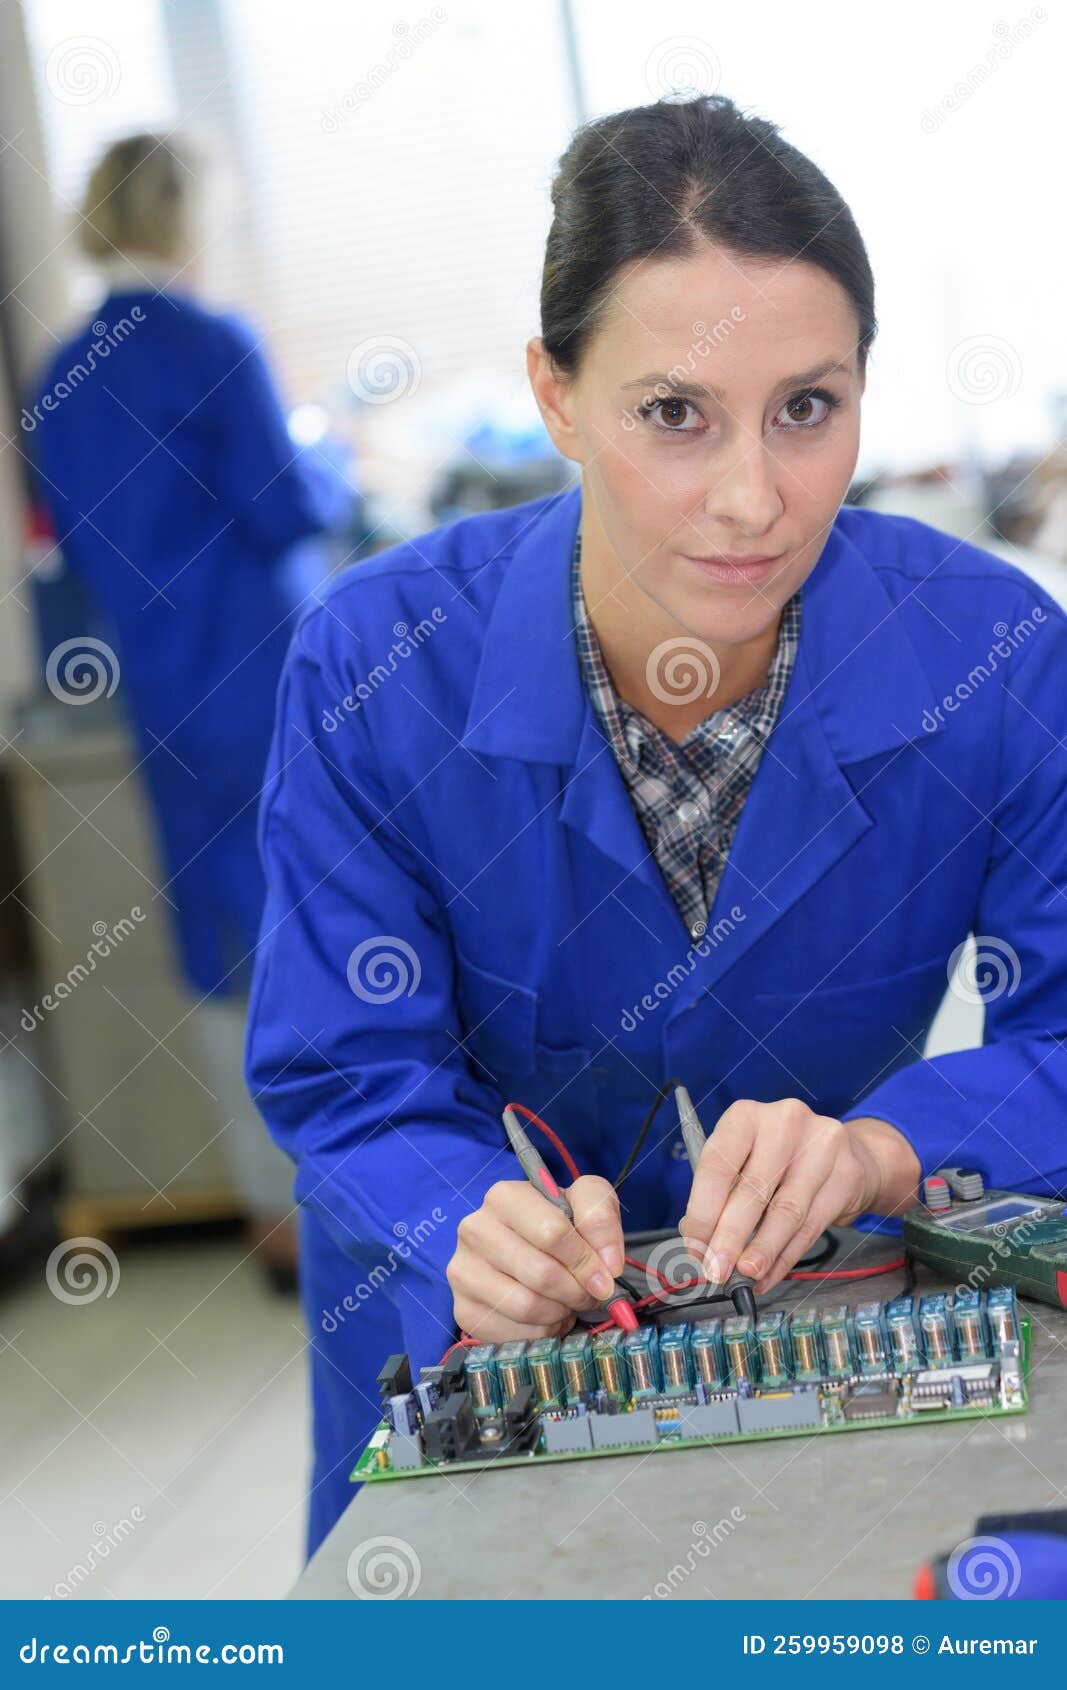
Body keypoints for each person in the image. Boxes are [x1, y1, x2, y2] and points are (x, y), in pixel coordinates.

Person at [245, 94, 1067, 1555]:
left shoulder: (992, 656)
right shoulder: (377, 665)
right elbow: (345, 1070)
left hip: (820, 1339)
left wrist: (885, 1148)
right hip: (465, 1359)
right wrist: (458, 1225)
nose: (751, 498)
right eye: (671, 415)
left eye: (804, 409)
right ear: (554, 396)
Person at [27, 132, 353, 1286]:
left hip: (164, 696)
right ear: (183, 219)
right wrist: (333, 459)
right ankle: (355, 1204)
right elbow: (282, 510)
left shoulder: (58, 376)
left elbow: (66, 548)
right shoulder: (211, 344)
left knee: (220, 946)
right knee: (331, 927)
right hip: (268, 682)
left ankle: (272, 1215)